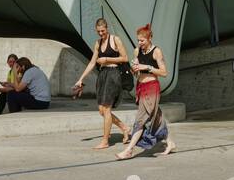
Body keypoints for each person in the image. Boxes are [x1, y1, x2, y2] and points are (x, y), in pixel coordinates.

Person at [116, 25, 175, 159]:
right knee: (156, 116)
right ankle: (170, 142)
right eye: (138, 40)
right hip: (141, 87)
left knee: (141, 119)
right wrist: (134, 67)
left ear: (150, 38)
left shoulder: (156, 51)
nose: (139, 43)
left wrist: (147, 67)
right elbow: (136, 72)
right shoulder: (137, 51)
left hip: (152, 88)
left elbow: (164, 72)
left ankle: (129, 150)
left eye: (142, 40)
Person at [72, 18, 130, 149]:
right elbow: (92, 62)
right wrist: (81, 79)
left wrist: (107, 59)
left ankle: (105, 141)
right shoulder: (98, 43)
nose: (101, 33)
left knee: (107, 108)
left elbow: (125, 58)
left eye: (103, 31)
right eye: (98, 31)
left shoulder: (115, 40)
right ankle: (124, 127)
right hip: (103, 75)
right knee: (101, 110)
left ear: (107, 28)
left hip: (114, 74)